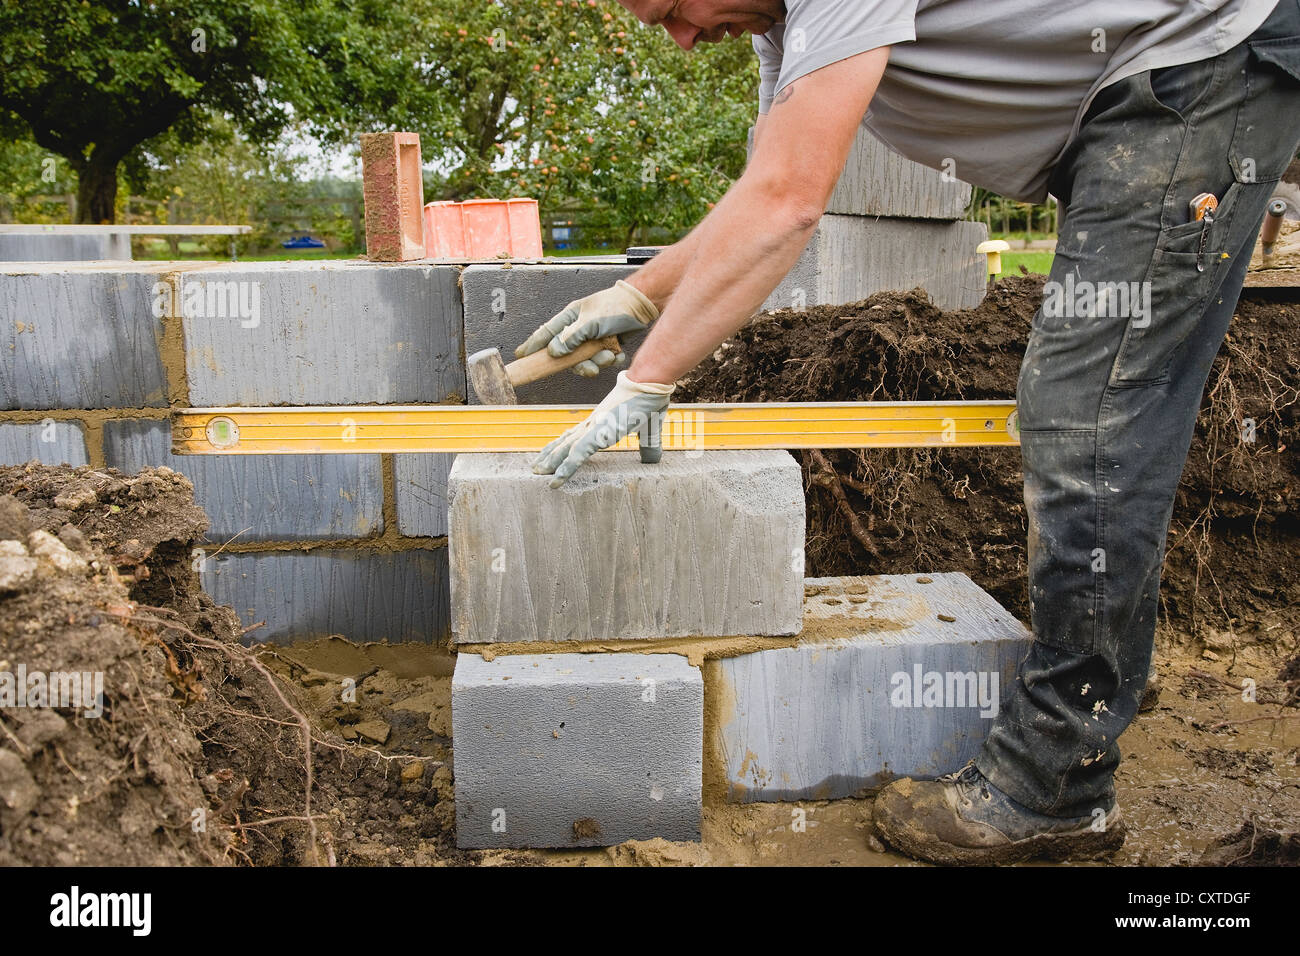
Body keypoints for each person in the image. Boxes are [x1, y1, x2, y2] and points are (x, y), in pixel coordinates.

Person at [518, 0, 1300, 864]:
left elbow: (789, 205)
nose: (680, 36)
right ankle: (1096, 682)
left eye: (672, 8)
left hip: (1196, 67)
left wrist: (648, 376)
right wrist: (637, 298)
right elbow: (758, 189)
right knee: (1089, 412)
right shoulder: (787, 29)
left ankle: (1055, 787)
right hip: (1133, 96)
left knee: (1089, 420)